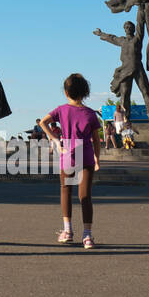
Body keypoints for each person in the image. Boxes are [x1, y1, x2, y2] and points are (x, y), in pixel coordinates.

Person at [37, 73, 101, 248]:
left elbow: (43, 122)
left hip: (68, 154)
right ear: (85, 92)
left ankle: (68, 230)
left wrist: (55, 140)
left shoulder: (61, 110)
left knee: (66, 191)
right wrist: (97, 158)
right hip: (85, 155)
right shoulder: (90, 114)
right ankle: (87, 235)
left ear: (66, 92)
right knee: (85, 195)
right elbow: (96, 140)